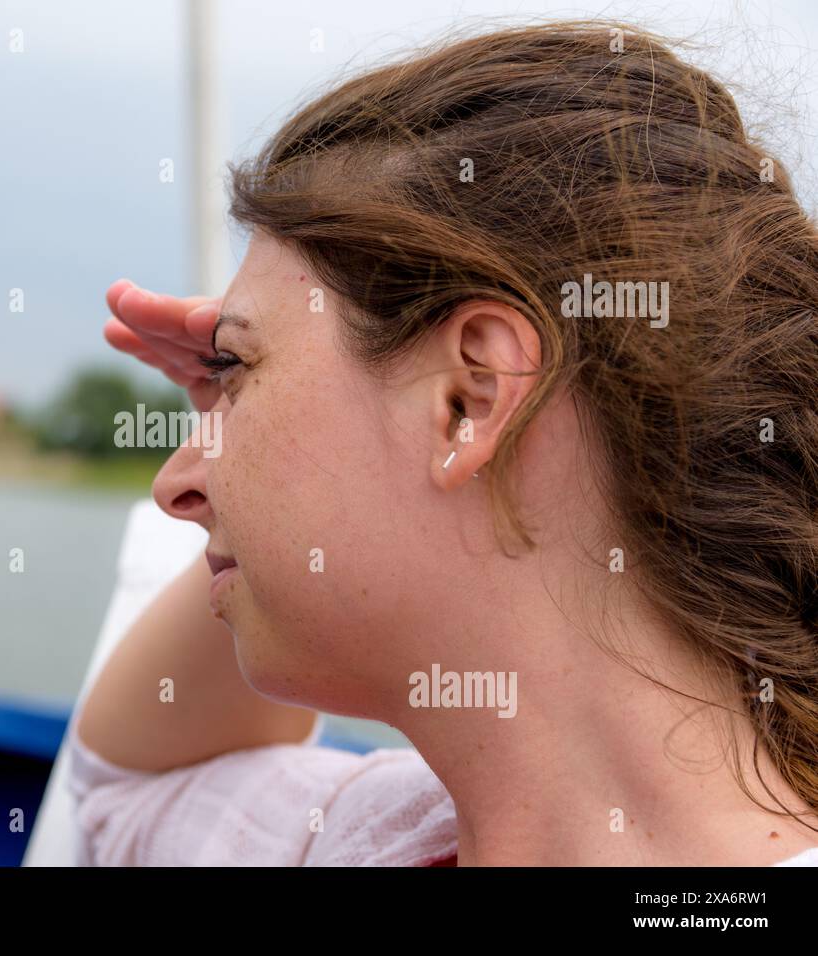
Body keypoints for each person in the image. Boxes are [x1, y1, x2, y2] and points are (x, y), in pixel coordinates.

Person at [70, 20, 818, 866]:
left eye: (234, 370)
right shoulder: (366, 840)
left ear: (473, 396)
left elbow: (121, 791)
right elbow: (127, 793)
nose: (177, 487)